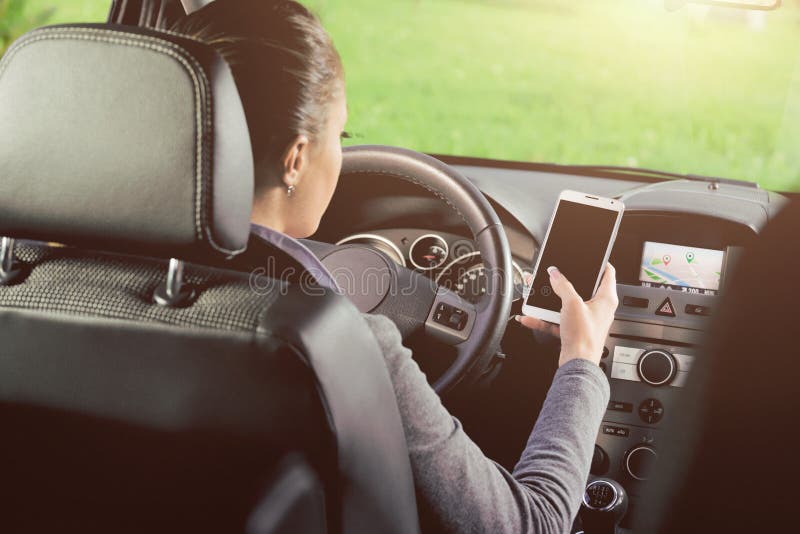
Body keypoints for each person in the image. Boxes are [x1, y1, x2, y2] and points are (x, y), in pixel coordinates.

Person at [173, 1, 615, 531]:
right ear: (295, 158)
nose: (339, 153)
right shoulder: (351, 344)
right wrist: (581, 362)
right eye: (342, 136)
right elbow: (532, 523)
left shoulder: (51, 274)